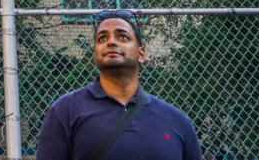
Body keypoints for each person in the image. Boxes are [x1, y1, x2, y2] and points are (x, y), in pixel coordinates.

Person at [36, 10, 202, 160]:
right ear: (96, 55)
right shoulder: (65, 111)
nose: (111, 42)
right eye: (102, 38)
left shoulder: (178, 121)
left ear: (141, 54)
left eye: (122, 36)